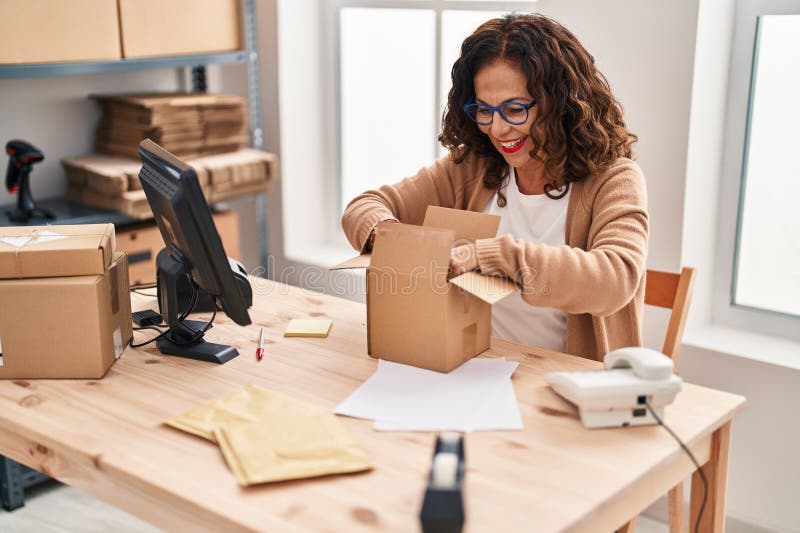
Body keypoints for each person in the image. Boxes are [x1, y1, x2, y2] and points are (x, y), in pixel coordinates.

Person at [341, 13, 647, 362]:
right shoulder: (476, 166)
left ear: (561, 103)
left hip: (568, 380)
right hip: (478, 368)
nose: (497, 129)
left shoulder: (614, 179)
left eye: (514, 109)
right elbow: (365, 206)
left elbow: (615, 280)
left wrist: (495, 255)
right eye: (484, 110)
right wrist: (387, 235)